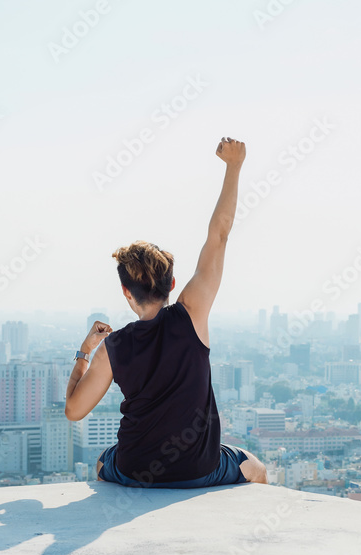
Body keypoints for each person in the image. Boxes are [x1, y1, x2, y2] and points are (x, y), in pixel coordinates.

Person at [64, 136, 268, 488]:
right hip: (198, 470)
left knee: (101, 462)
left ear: (126, 292)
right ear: (172, 285)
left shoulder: (114, 348)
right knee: (256, 468)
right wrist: (234, 166)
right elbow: (218, 236)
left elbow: (74, 411)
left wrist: (84, 353)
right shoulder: (191, 313)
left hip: (134, 470)